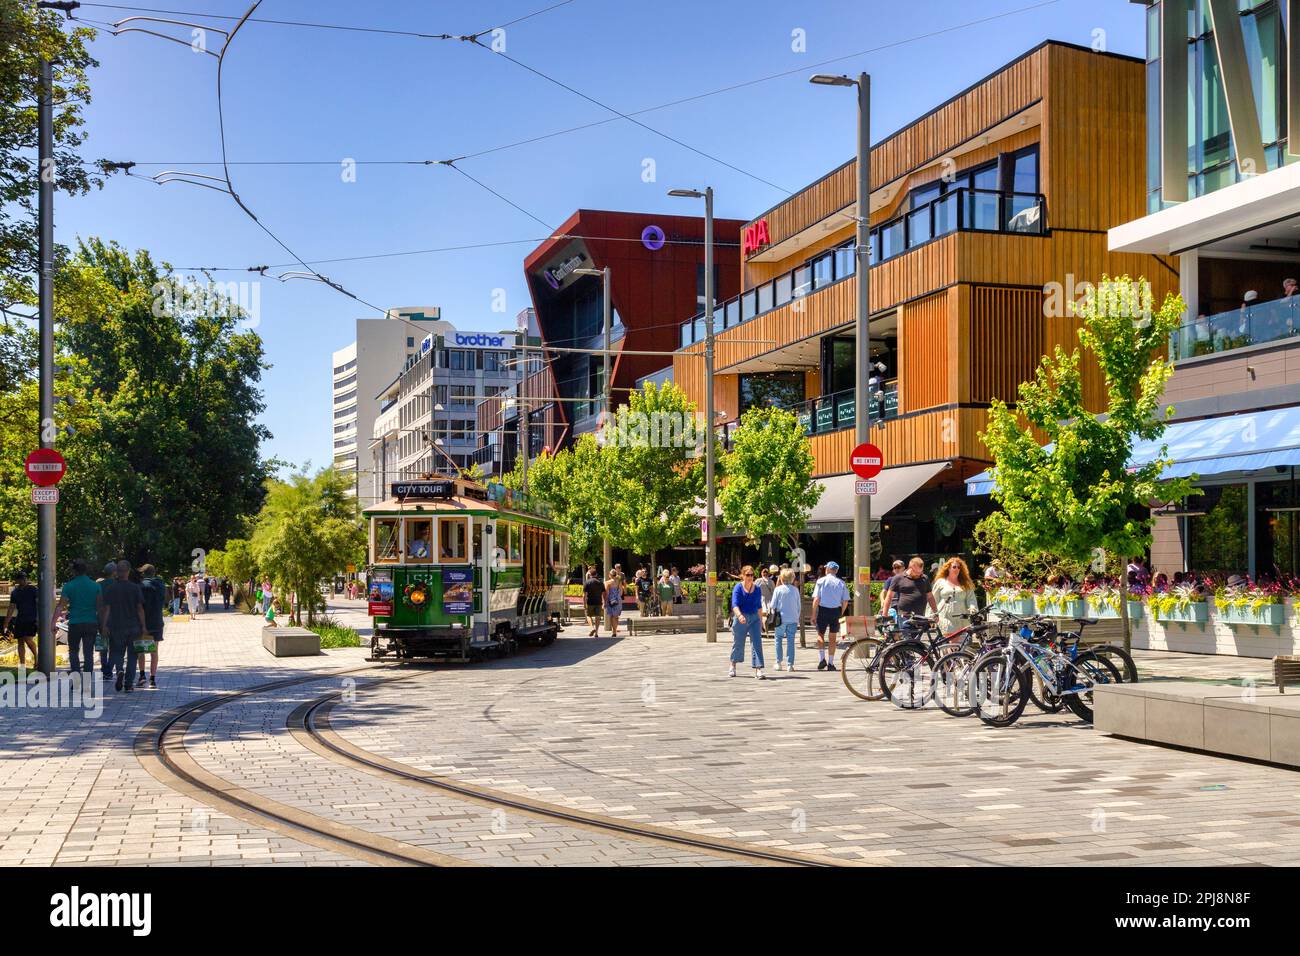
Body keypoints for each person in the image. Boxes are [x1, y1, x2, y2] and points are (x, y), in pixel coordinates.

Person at [100, 560, 147, 693]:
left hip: (116, 626)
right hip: (133, 627)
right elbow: (140, 609)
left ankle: (120, 669)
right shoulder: (135, 588)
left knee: (117, 652)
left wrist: (104, 626)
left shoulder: (111, 588)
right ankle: (128, 684)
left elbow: (106, 609)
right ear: (128, 571)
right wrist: (143, 626)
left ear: (117, 572)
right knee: (133, 656)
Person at [52, 559, 101, 674]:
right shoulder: (95, 586)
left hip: (75, 623)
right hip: (91, 622)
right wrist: (102, 624)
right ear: (86, 570)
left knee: (73, 651)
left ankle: (76, 679)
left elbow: (60, 606)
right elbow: (100, 607)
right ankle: (87, 683)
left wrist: (53, 622)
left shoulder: (69, 586)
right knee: (88, 653)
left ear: (74, 571)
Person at [879, 556, 939, 632]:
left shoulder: (924, 578)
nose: (919, 574)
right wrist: (885, 613)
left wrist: (935, 612)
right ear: (910, 568)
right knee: (908, 641)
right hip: (905, 616)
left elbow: (930, 597)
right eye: (917, 572)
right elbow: (889, 596)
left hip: (920, 617)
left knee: (916, 642)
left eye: (921, 572)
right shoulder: (898, 578)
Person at [810, 561, 849, 671]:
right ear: (836, 570)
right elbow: (845, 600)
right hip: (835, 611)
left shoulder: (821, 581)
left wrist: (813, 614)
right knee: (833, 637)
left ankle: (822, 659)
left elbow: (816, 599)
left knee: (820, 634)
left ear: (827, 569)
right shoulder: (841, 583)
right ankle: (831, 663)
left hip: (823, 610)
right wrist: (841, 611)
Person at [729, 565, 766, 679]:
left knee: (757, 643)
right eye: (747, 575)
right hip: (741, 617)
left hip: (754, 618)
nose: (750, 577)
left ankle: (758, 669)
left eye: (752, 575)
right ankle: (733, 665)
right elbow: (734, 604)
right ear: (742, 576)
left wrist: (761, 622)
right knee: (738, 643)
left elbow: (759, 606)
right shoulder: (738, 588)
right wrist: (739, 615)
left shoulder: (757, 589)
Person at [932, 557, 978, 637]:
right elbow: (933, 599)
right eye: (954, 567)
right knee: (951, 640)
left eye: (959, 567)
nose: (957, 569)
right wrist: (931, 615)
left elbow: (971, 599)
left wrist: (972, 608)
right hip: (945, 616)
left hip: (962, 617)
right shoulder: (940, 582)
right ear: (948, 568)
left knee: (959, 644)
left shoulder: (965, 583)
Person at [137, 564, 166, 688]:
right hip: (157, 621)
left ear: (144, 573)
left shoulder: (141, 586)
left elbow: (139, 607)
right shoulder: (161, 585)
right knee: (154, 651)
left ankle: (142, 676)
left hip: (142, 623)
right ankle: (153, 679)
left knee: (141, 650)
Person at [3, 571, 39, 669]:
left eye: (24, 578)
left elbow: (39, 603)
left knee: (28, 639)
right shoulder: (15, 592)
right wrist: (6, 623)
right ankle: (22, 664)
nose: (23, 580)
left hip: (31, 618)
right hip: (20, 618)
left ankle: (37, 658)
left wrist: (39, 618)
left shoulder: (33, 589)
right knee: (20, 641)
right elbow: (11, 607)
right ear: (18, 580)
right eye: (21, 578)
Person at [770, 568, 801, 672]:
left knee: (778, 639)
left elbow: (773, 605)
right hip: (793, 619)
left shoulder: (778, 590)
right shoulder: (795, 590)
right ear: (792, 578)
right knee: (790, 641)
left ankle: (778, 663)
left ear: (781, 578)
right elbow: (798, 607)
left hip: (780, 619)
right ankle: (790, 665)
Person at [582, 567, 604, 636]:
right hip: (599, 602)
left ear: (590, 575)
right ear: (596, 574)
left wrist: (584, 604)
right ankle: (596, 633)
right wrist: (604, 602)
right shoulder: (601, 582)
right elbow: (604, 593)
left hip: (590, 602)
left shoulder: (587, 582)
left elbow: (584, 595)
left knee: (588, 616)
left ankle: (592, 628)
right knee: (598, 617)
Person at [603, 571, 624, 637]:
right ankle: (615, 629)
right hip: (618, 600)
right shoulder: (619, 581)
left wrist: (604, 602)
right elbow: (621, 591)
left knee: (612, 616)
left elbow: (606, 593)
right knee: (616, 616)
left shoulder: (607, 582)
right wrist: (618, 597)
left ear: (610, 575)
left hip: (611, 600)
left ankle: (614, 631)